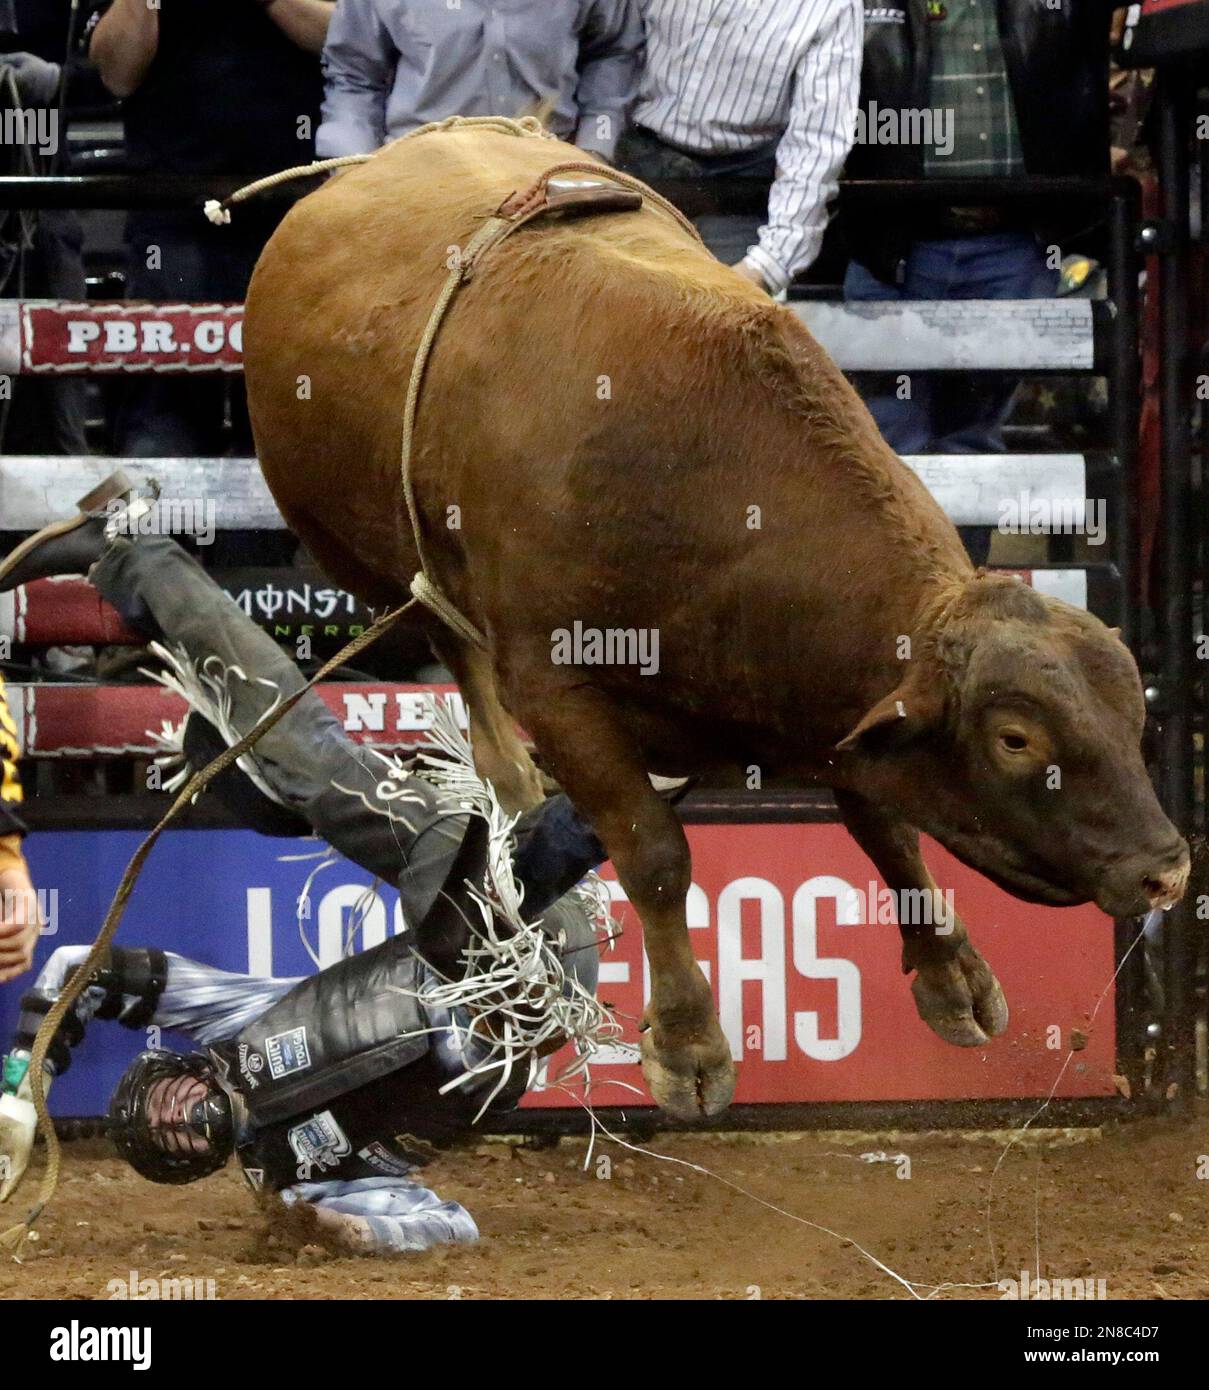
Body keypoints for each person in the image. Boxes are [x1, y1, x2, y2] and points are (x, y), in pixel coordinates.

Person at [0, 473, 622, 1253]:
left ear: (167, 1075)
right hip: (527, 999)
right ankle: (616, 794)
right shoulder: (299, 1172)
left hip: (479, 900)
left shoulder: (234, 1025)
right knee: (449, 924)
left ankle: (610, 800)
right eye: (171, 1136)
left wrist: (20, 1087)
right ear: (192, 1164)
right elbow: (450, 1225)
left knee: (342, 796)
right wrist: (344, 1228)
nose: (176, 1118)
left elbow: (77, 972)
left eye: (159, 1106)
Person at [842, 0, 1117, 564]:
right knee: (885, 449)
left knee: (972, 442)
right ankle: (900, 618)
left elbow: (1088, 89)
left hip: (1012, 242)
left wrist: (1072, 219)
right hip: (890, 243)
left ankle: (955, 617)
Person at [85, 0, 334, 468]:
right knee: (162, 419)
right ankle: (153, 539)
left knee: (287, 412)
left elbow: (342, 38)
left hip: (295, 212)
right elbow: (117, 73)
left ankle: (269, 542)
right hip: (172, 212)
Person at [614, 0, 862, 293]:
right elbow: (610, 49)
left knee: (715, 329)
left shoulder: (832, 6)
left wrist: (768, 264)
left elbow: (817, 140)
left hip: (739, 188)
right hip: (639, 168)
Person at [315, 0, 642, 163]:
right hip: (419, 170)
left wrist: (593, 152)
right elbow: (353, 74)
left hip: (547, 169)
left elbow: (612, 50)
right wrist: (355, 167)